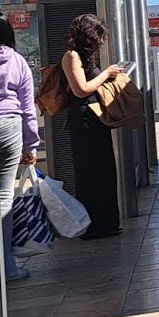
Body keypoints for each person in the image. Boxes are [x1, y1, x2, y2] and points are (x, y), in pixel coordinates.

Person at [61, 14, 124, 239]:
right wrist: (107, 74)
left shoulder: (87, 58)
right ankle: (93, 225)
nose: (101, 41)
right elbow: (80, 89)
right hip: (84, 119)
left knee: (105, 170)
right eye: (98, 35)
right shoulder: (72, 56)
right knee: (90, 172)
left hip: (96, 117)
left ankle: (107, 221)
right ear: (88, 35)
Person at [0, 10, 39, 281]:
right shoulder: (17, 61)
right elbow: (28, 107)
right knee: (3, 197)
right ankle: (6, 267)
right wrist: (31, 145)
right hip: (9, 128)